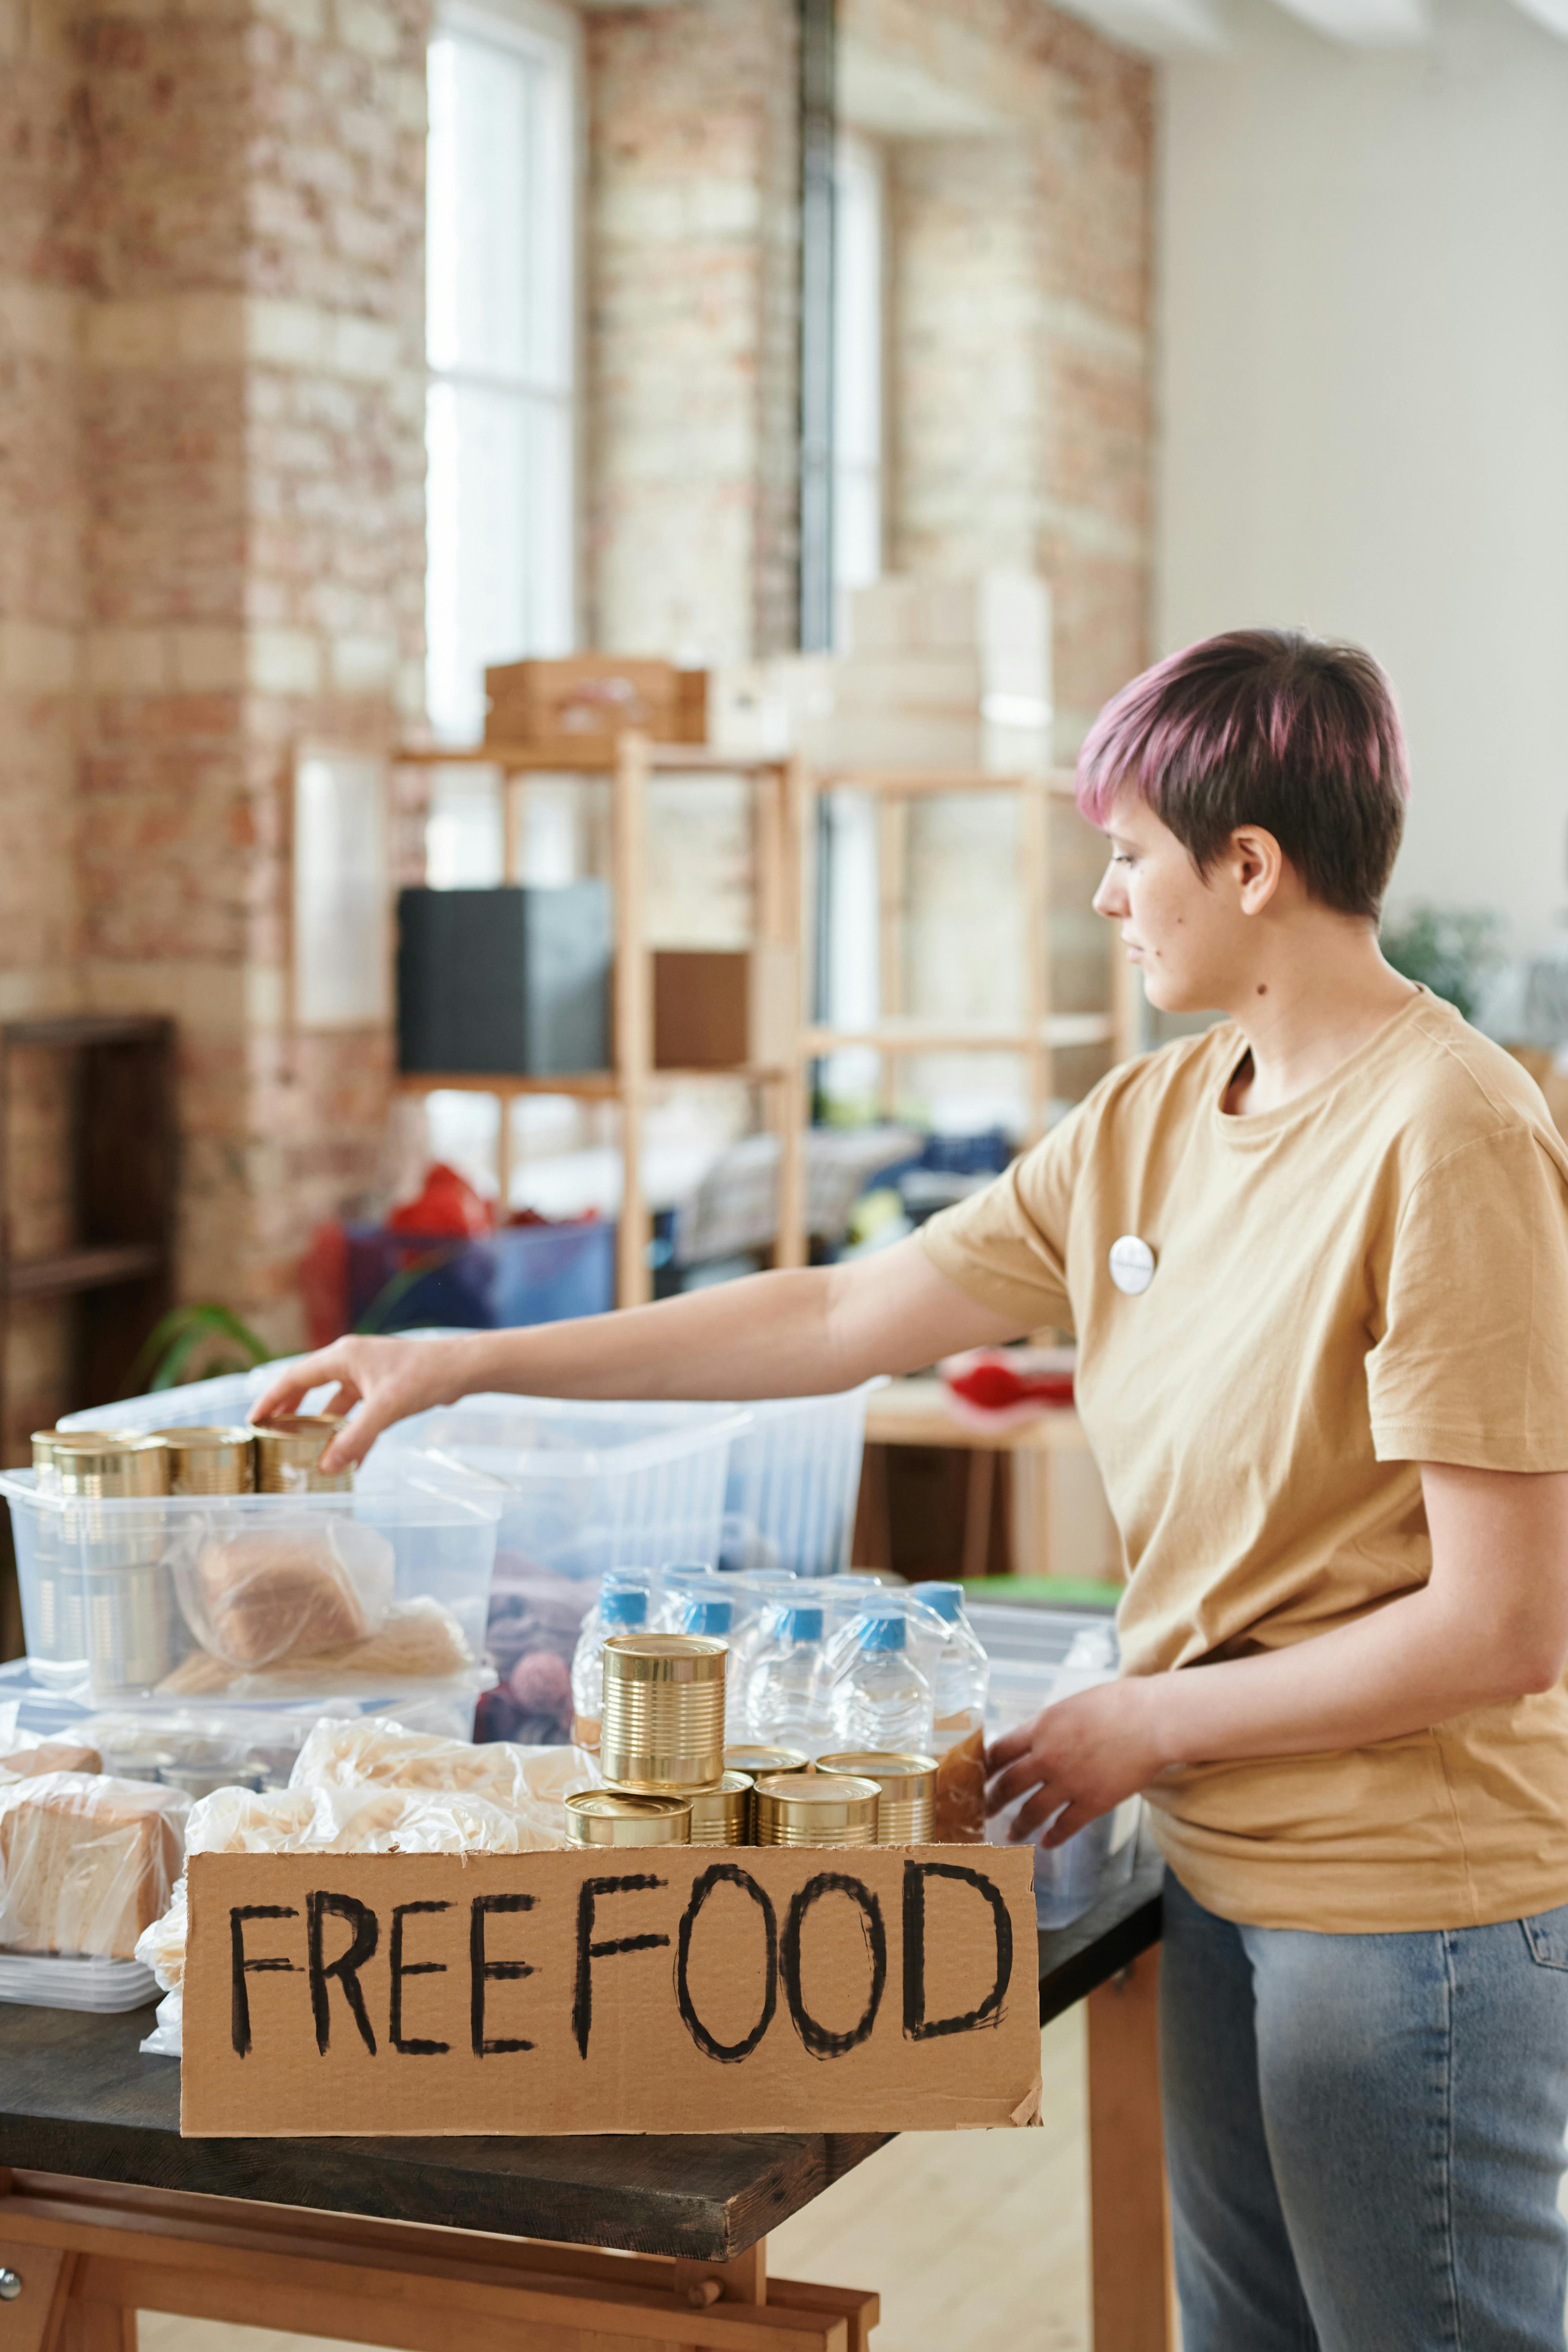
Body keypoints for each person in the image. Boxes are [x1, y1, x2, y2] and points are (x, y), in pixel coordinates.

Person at [258, 628, 1568, 2352]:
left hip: (1415, 1917)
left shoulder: (1451, 1135)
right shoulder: (1153, 1117)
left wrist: (1146, 1722)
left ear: (1249, 867)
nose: (1106, 895)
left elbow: (1502, 1625)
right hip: (1226, 1868)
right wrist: (462, 1360)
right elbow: (832, 1313)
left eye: (1127, 853)